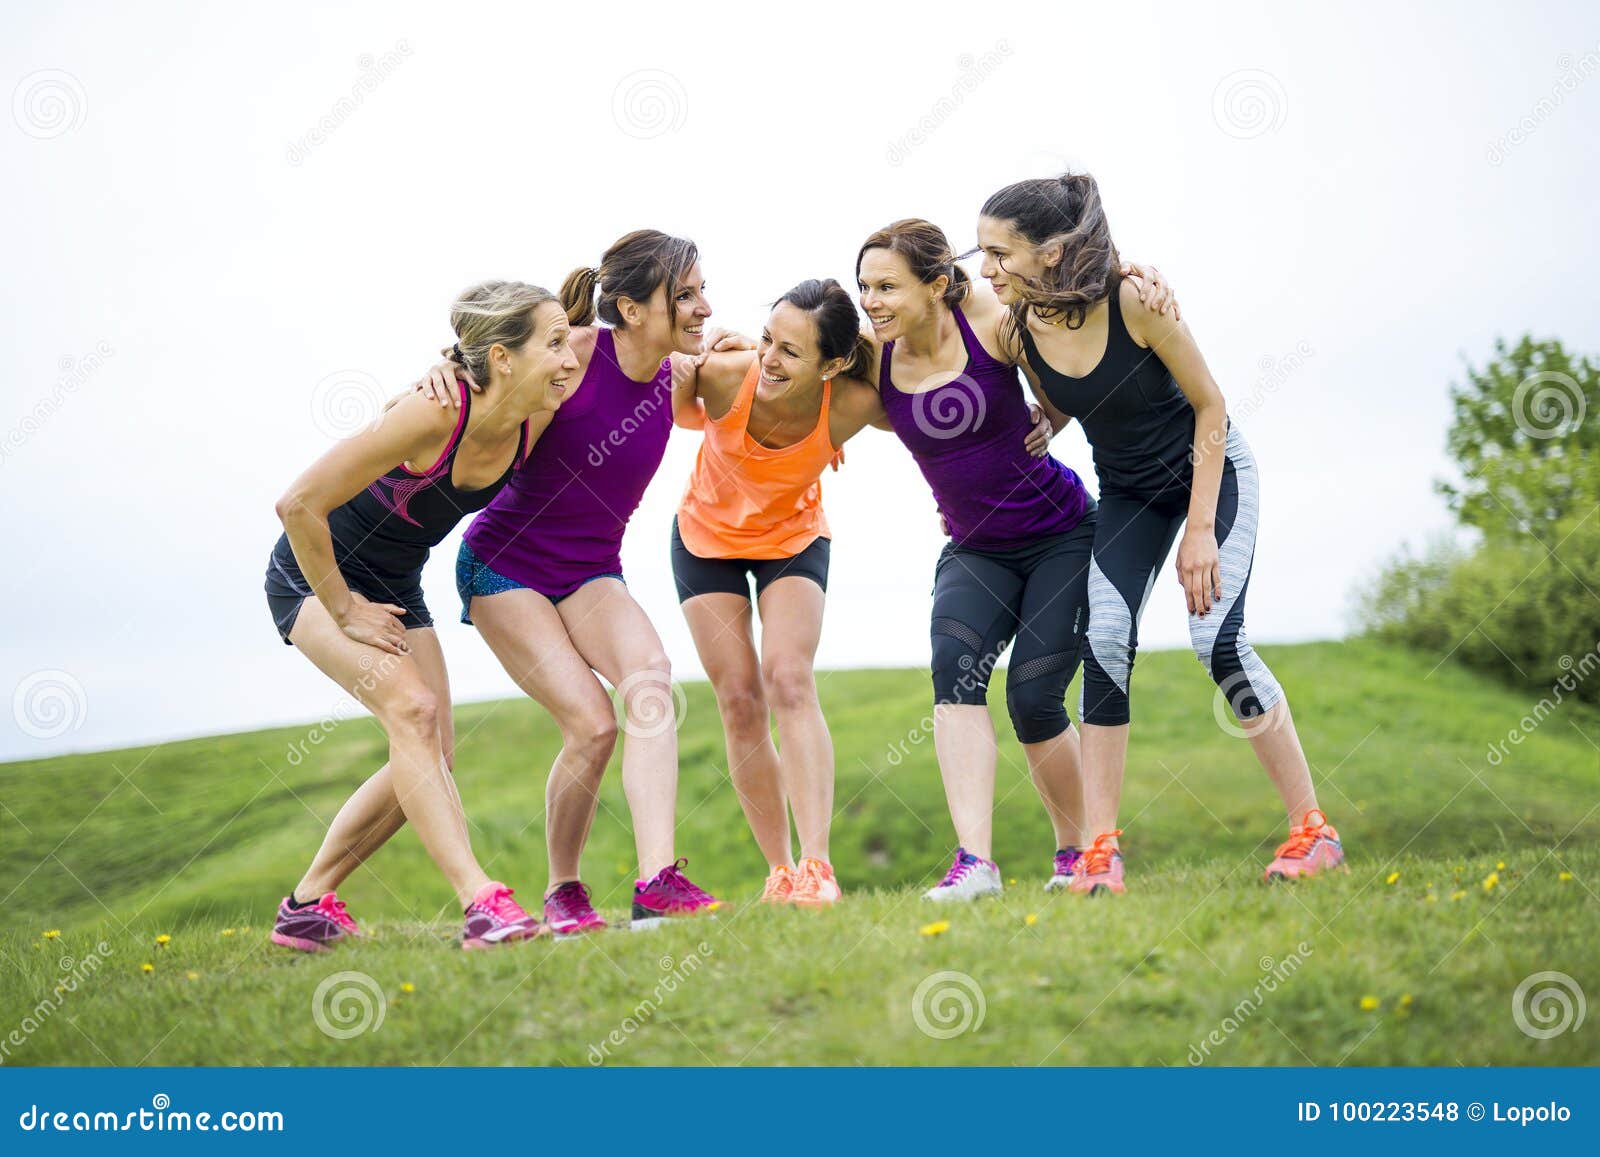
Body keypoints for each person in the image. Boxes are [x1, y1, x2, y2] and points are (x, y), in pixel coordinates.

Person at [976, 173, 1346, 894]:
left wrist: (1201, 529)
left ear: (1051, 253)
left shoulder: (1136, 299)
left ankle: (1313, 830)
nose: (984, 269)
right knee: (1106, 638)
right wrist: (1040, 426)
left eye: (998, 252)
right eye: (979, 252)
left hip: (1214, 473)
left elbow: (1211, 407)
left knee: (1219, 641)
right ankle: (1101, 850)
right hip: (1131, 494)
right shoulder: (1021, 329)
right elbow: (1067, 403)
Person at [418, 230, 739, 932]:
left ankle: (657, 882)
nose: (702, 307)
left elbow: (758, 373)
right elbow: (487, 367)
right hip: (505, 564)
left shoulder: (675, 375)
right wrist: (444, 367)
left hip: (590, 568)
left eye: (700, 291)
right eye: (683, 295)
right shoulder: (569, 361)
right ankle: (564, 888)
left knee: (651, 680)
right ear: (627, 308)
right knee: (592, 724)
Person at [266, 280, 572, 951]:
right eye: (552, 343)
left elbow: (622, 345)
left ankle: (307, 902)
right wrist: (342, 610)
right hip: (313, 577)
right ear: (502, 358)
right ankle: (480, 901)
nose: (568, 358)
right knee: (413, 714)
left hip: (397, 582)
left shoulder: (536, 414)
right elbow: (297, 505)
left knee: (438, 752)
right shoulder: (433, 413)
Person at [855, 219, 1103, 902]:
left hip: (1062, 535)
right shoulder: (871, 355)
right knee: (953, 672)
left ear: (936, 284)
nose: (871, 301)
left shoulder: (995, 324)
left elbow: (1069, 380)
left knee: (1033, 694)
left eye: (887, 286)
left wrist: (1050, 422)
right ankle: (976, 865)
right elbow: (794, 352)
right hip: (975, 549)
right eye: (865, 287)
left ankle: (1080, 854)